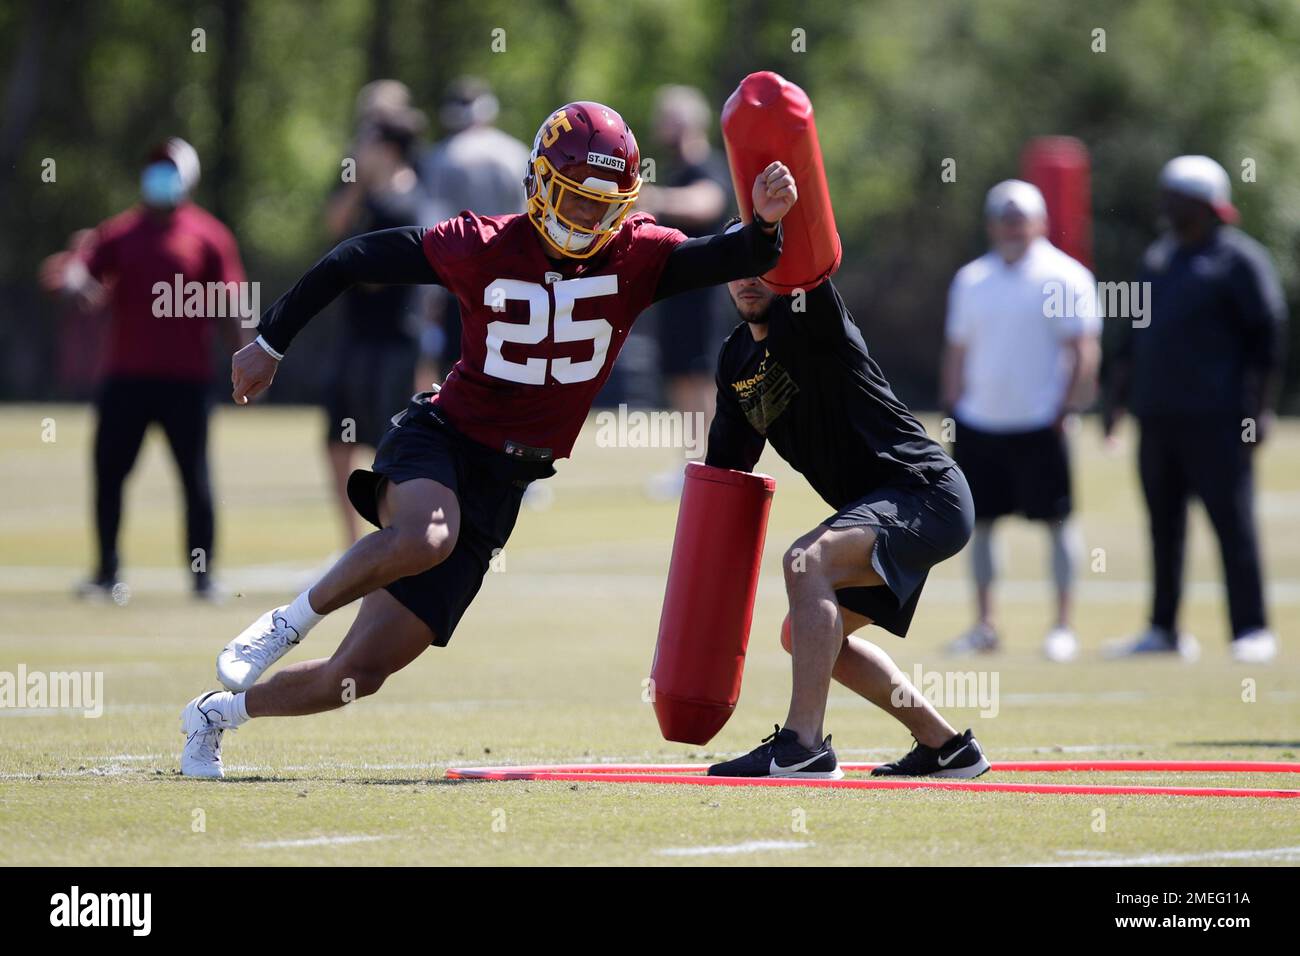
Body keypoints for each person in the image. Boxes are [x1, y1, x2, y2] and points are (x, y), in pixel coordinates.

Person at [180, 101, 798, 778]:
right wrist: (271, 340)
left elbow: (737, 252)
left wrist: (767, 220)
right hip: (442, 439)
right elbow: (356, 257)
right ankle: (284, 623)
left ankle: (215, 716)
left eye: (604, 205)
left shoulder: (639, 254)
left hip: (504, 486)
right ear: (539, 185)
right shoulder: (482, 243)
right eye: (576, 200)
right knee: (427, 536)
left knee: (356, 674)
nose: (590, 219)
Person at [704, 221, 989, 780]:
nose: (746, 279)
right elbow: (727, 471)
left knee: (805, 561)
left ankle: (801, 746)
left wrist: (780, 199)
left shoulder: (811, 314)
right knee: (805, 635)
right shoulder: (735, 360)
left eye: (761, 262)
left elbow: (812, 250)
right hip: (886, 505)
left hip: (926, 492)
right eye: (735, 266)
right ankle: (946, 748)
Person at [40, 137, 250, 601]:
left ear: (188, 179)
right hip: (126, 378)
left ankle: (202, 575)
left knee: (194, 478)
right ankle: (106, 573)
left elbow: (234, 303)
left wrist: (247, 358)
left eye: (170, 170)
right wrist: (76, 284)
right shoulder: (120, 232)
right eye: (155, 169)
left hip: (186, 381)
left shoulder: (209, 236)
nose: (160, 178)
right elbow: (78, 270)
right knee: (109, 473)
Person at [1103, 156, 1287, 664]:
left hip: (1220, 421)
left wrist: (1260, 411)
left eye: (1173, 196)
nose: (1163, 205)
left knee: (1233, 524)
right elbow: (1132, 334)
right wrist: (1116, 399)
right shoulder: (1159, 258)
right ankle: (1163, 629)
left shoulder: (1240, 261)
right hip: (1158, 418)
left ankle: (1250, 629)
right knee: (1164, 527)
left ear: (1201, 204)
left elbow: (1266, 339)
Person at [940, 180, 1100, 662]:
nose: (1012, 227)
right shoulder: (972, 279)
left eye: (1021, 218)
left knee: (1056, 522)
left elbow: (1084, 349)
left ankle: (1062, 627)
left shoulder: (1065, 275)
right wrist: (953, 407)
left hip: (1040, 423)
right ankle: (985, 626)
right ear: (992, 225)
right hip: (980, 421)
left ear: (1040, 222)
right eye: (1004, 219)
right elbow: (957, 349)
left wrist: (1068, 407)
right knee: (981, 525)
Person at [321, 84, 433, 546]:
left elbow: (370, 275)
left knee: (388, 450)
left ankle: (394, 542)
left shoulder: (408, 199)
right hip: (355, 337)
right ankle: (352, 547)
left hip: (392, 344)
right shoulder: (361, 190)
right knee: (337, 442)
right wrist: (358, 183)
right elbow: (334, 225)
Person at [636, 86, 733, 497]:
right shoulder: (676, 170)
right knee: (679, 379)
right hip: (675, 295)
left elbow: (707, 203)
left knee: (699, 379)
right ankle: (693, 463)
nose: (661, 129)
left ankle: (712, 465)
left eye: (668, 120)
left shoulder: (706, 167)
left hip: (703, 296)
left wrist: (655, 198)